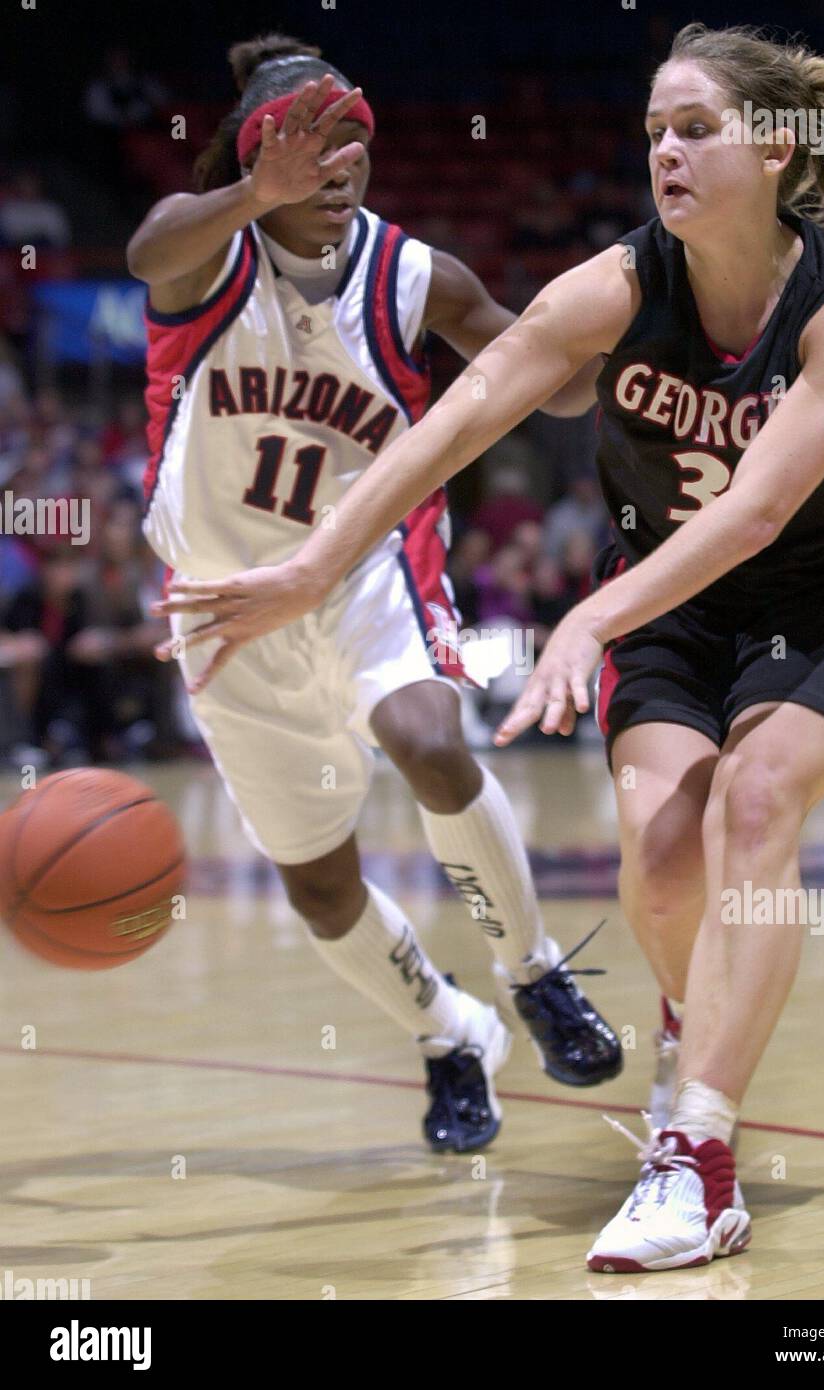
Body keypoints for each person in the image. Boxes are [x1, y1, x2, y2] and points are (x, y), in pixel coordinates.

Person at [157, 23, 824, 1270]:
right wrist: (315, 558)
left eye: (694, 128)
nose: (665, 154)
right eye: (652, 134)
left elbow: (758, 511)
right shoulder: (619, 287)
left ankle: (699, 1153)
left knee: (755, 802)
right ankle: (695, 1009)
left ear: (778, 147)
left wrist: (585, 616)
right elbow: (456, 418)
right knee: (665, 864)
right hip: (672, 604)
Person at [128, 33, 622, 1156]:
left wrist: (631, 337)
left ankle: (535, 972)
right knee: (320, 887)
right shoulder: (211, 258)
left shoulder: (416, 275)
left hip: (367, 573)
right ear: (259, 154)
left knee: (426, 733)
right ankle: (452, 1034)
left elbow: (549, 386)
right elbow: (146, 248)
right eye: (307, 138)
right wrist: (252, 194)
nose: (338, 155)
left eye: (353, 132)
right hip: (221, 609)